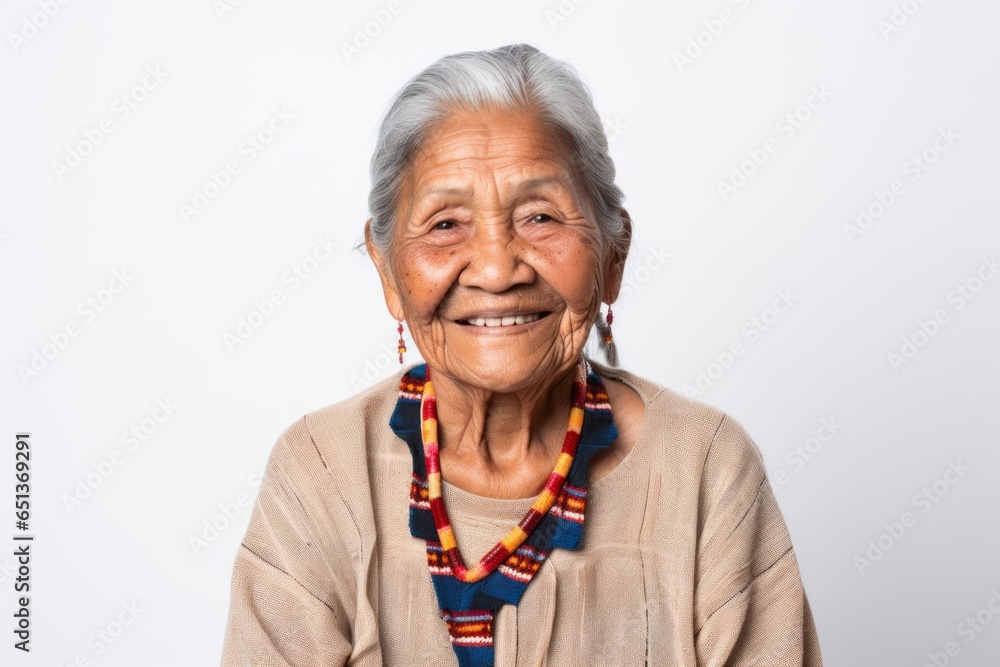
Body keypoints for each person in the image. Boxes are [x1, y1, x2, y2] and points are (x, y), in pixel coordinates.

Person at [221, 43, 822, 667]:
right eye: (445, 224)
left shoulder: (706, 468)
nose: (496, 269)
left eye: (540, 217)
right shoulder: (321, 473)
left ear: (613, 255)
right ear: (387, 270)